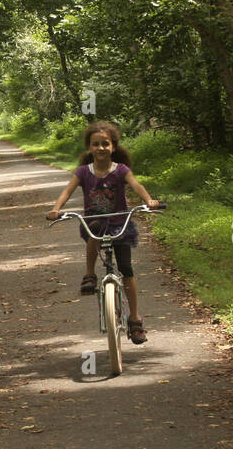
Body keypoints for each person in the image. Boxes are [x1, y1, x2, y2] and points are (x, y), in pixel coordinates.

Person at [46, 121, 159, 344]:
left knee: (126, 269)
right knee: (93, 232)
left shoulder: (120, 171)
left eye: (105, 144)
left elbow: (136, 185)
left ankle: (134, 319)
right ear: (89, 148)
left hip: (120, 224)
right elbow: (67, 190)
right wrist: (56, 209)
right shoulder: (83, 172)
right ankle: (90, 274)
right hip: (94, 222)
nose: (100, 148)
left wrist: (149, 201)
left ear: (113, 147)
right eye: (95, 144)